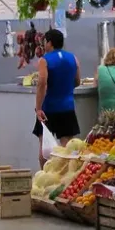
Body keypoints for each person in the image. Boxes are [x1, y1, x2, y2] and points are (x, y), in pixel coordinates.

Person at [33, 29, 81, 167]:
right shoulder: (73, 58)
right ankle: (65, 177)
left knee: (45, 148)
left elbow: (42, 83)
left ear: (50, 43)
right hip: (67, 107)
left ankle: (45, 175)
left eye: (45, 42)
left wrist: (38, 108)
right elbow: (77, 81)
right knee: (67, 147)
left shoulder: (44, 60)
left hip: (48, 108)